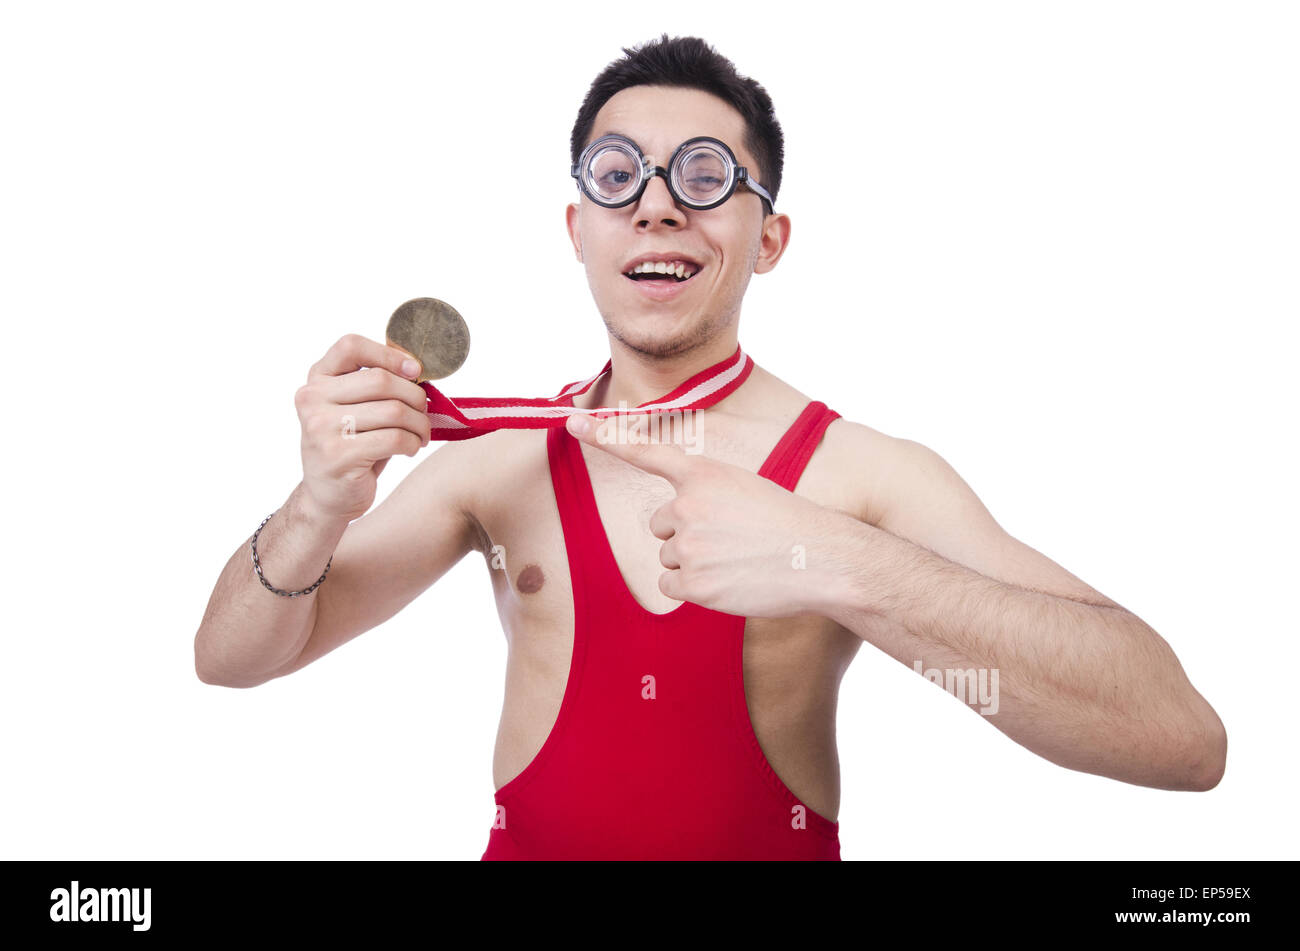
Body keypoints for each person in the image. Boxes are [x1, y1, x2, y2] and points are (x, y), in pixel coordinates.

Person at [194, 34, 1227, 860]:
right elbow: (232, 663)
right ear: (577, 228)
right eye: (617, 176)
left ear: (767, 238)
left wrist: (826, 559)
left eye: (702, 176)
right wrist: (315, 508)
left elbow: (1180, 744)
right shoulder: (491, 464)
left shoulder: (860, 476)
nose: (655, 204)